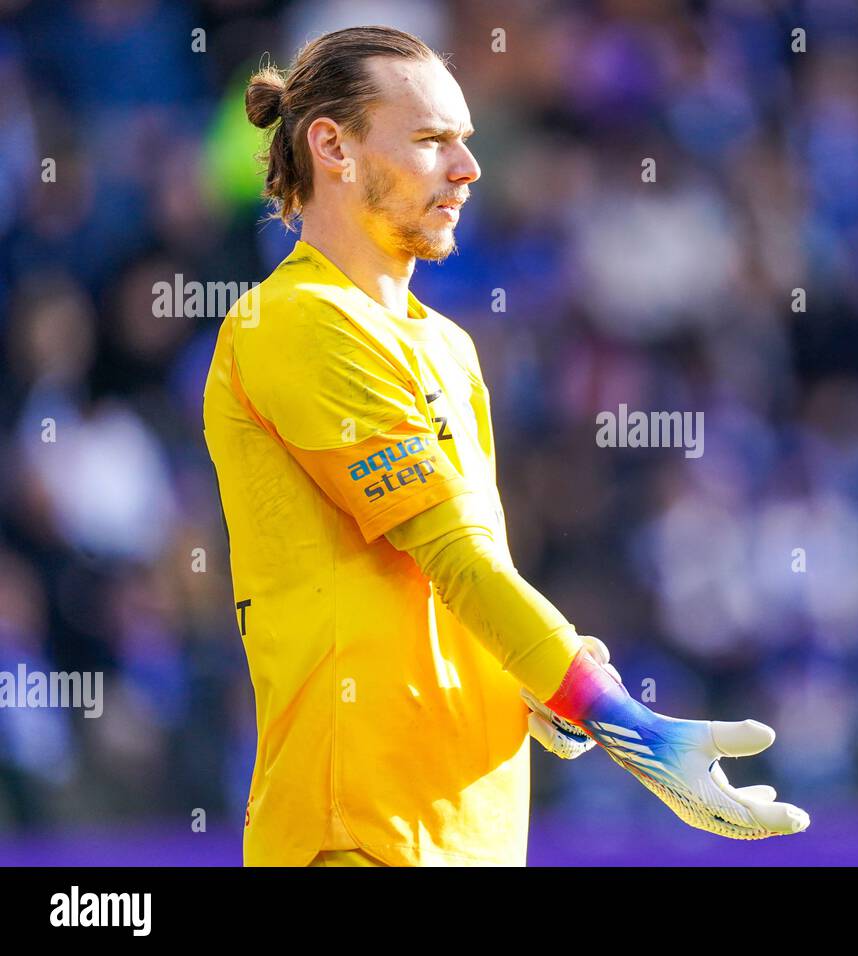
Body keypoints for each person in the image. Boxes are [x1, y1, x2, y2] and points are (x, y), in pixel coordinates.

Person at [202, 25, 808, 867]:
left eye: (466, 141)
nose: (466, 168)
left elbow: (469, 584)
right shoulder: (298, 321)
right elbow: (453, 554)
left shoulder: (448, 347)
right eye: (429, 141)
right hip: (360, 828)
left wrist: (544, 678)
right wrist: (626, 724)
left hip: (472, 832)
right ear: (332, 145)